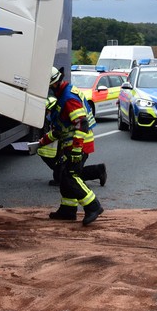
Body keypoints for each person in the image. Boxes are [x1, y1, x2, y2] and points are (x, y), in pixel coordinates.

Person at [39, 67, 105, 225]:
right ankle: (67, 210)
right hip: (73, 143)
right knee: (64, 176)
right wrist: (42, 142)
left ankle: (93, 206)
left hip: (78, 144)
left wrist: (76, 149)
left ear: (53, 84)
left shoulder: (67, 98)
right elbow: (61, 129)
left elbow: (81, 123)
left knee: (71, 177)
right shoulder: (64, 95)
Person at [38, 96, 106, 187]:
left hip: (81, 144)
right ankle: (97, 171)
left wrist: (43, 141)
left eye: (48, 111)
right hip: (79, 142)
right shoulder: (61, 113)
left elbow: (56, 133)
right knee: (66, 173)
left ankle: (98, 171)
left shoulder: (60, 116)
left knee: (70, 174)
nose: (47, 114)